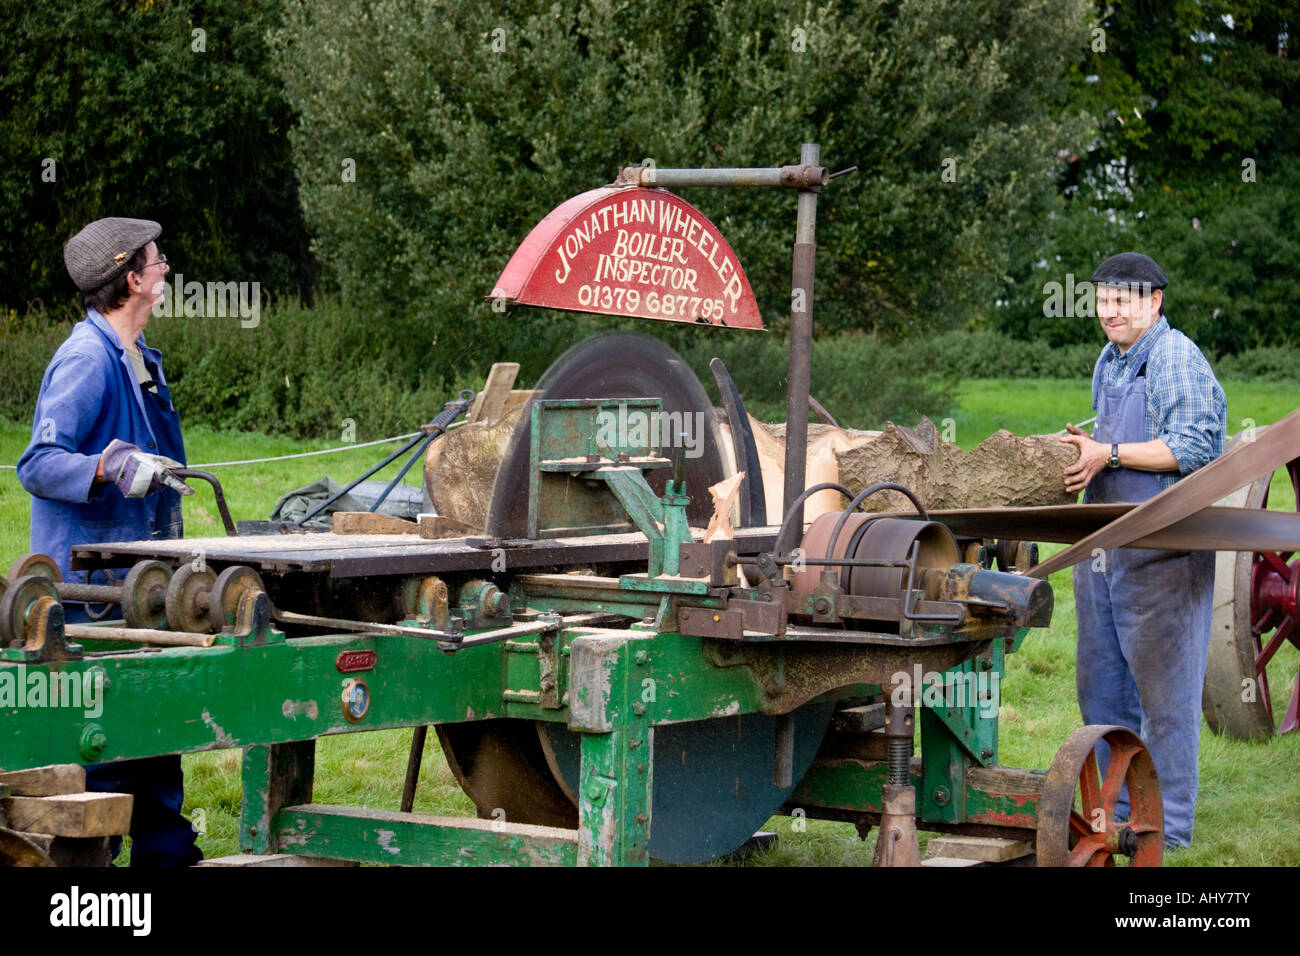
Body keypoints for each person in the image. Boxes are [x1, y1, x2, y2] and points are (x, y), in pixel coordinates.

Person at [17, 216, 202, 867]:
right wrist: (104, 465)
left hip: (145, 592)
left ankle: (165, 857)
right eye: (157, 263)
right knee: (105, 756)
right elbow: (37, 464)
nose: (166, 272)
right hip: (91, 599)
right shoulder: (86, 360)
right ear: (132, 279)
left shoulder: (139, 359)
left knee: (157, 741)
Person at [1059, 251, 1226, 849]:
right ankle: (1118, 816)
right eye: (1102, 301)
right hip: (1107, 551)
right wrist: (1091, 446)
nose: (1109, 312)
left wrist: (1114, 454)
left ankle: (1169, 831)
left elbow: (1198, 450)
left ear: (1154, 301)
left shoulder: (1174, 356)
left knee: (1165, 697)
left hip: (1164, 552)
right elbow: (1119, 440)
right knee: (1102, 690)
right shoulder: (1111, 361)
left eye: (1122, 300)